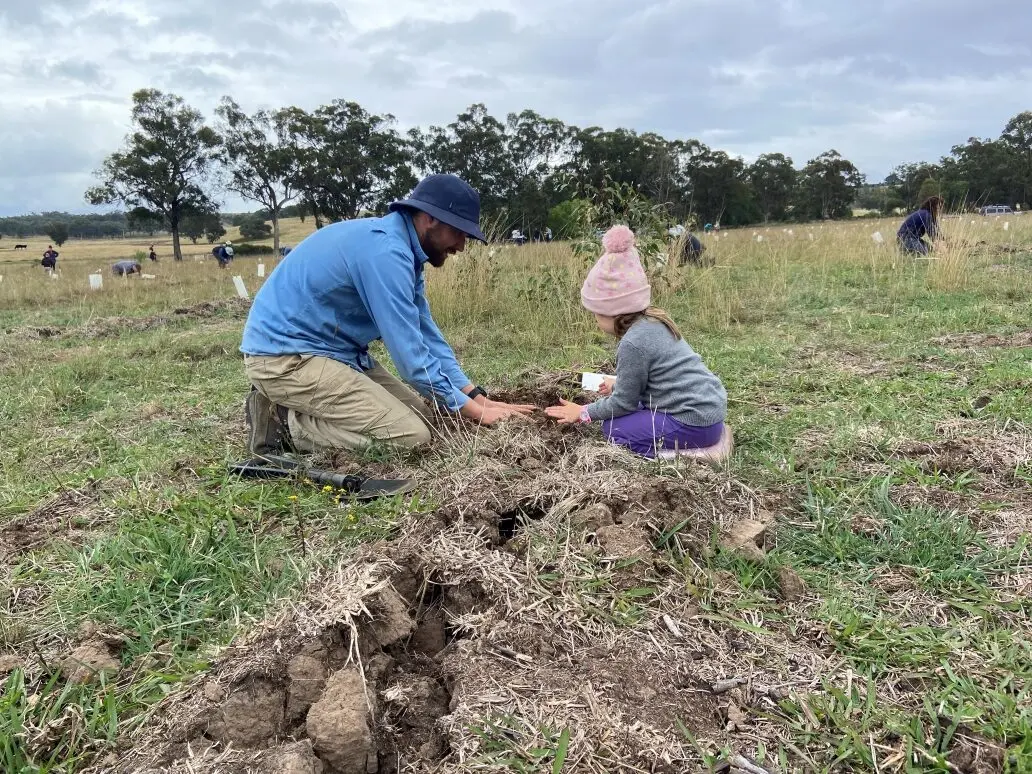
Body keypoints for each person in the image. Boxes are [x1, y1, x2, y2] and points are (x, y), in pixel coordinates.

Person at [240, 173, 535, 455]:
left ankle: (303, 412)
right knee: (410, 437)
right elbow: (412, 361)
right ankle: (283, 423)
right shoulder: (386, 253)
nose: (460, 245)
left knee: (424, 417)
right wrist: (478, 413)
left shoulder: (405, 251)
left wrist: (476, 397)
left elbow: (425, 333)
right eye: (457, 232)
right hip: (284, 359)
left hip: (334, 354)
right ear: (429, 218)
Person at [545, 225, 731, 461]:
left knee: (614, 430)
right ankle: (709, 440)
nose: (595, 320)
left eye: (596, 313)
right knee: (632, 414)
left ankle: (695, 455)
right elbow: (656, 381)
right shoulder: (654, 321)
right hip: (709, 415)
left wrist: (582, 412)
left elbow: (624, 403)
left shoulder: (632, 343)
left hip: (693, 424)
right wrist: (619, 385)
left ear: (612, 312)